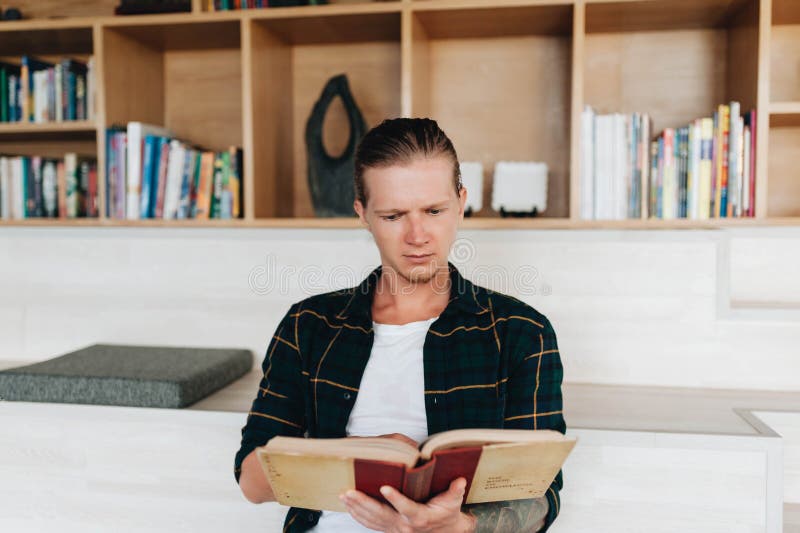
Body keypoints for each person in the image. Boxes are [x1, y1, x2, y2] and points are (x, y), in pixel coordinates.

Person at [234, 118, 565, 532]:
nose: (417, 235)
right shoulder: (309, 325)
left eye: (434, 211)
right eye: (393, 216)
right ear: (363, 214)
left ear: (461, 203)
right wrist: (363, 455)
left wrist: (460, 527)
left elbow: (542, 494)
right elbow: (252, 480)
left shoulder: (521, 332)